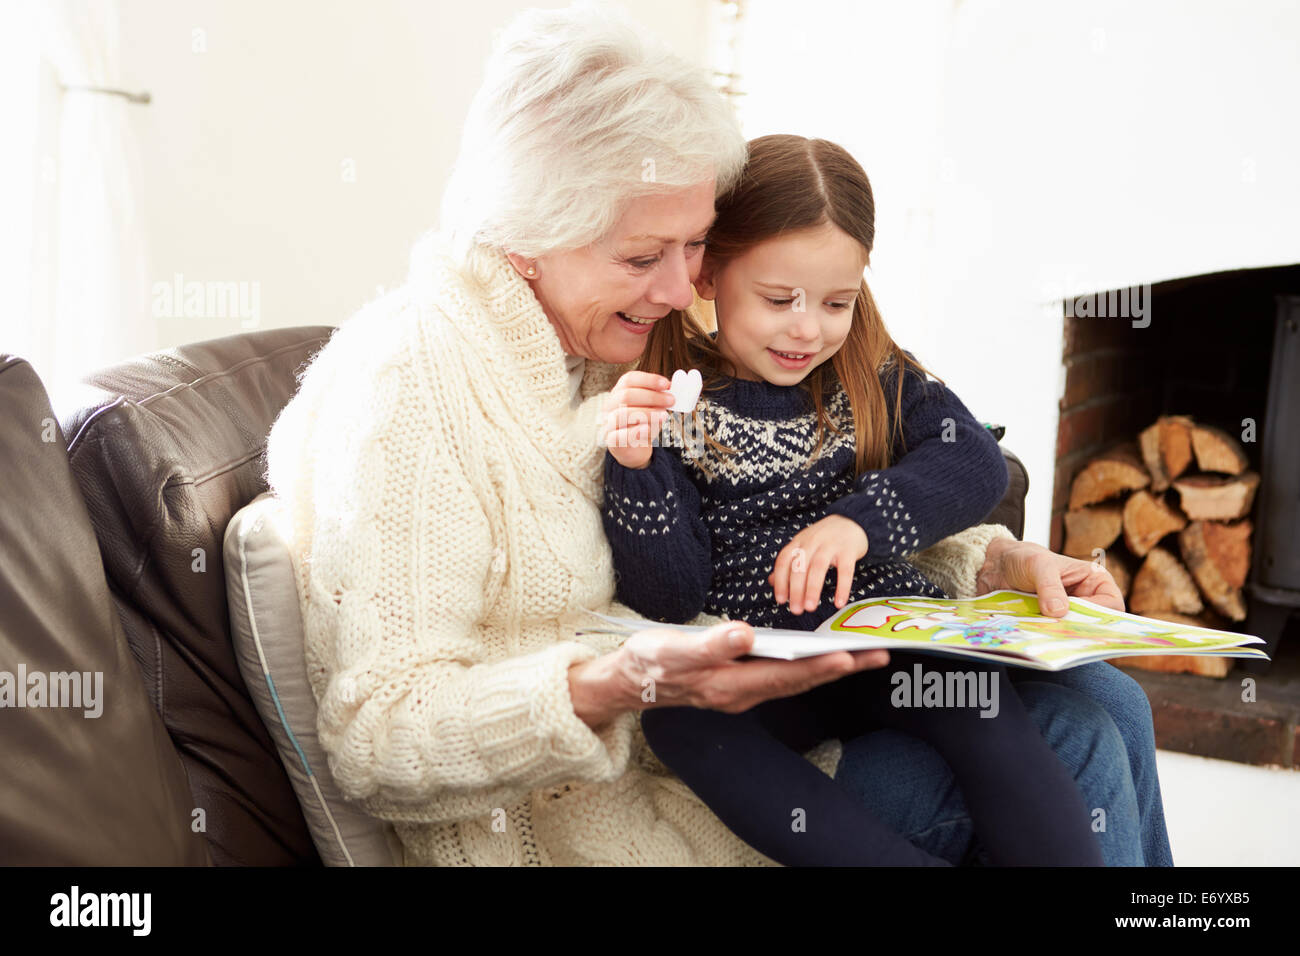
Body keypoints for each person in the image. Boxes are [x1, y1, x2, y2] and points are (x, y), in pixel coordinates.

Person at [264, 3, 1163, 866]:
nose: (680, 286)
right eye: (642, 256)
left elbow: (798, 488)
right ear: (527, 231)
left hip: (758, 713)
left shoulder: (612, 341)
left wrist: (995, 563)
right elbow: (381, 737)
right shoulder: (409, 383)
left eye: (694, 246)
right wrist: (616, 684)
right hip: (629, 818)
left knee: (1107, 697)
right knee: (1081, 728)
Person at [601, 133, 1103, 865]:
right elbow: (669, 597)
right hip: (766, 674)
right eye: (780, 300)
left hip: (882, 648)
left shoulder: (875, 375)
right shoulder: (674, 404)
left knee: (975, 698)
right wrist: (636, 470)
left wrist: (857, 524)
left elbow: (976, 460)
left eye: (837, 301)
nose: (809, 328)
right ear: (708, 275)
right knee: (680, 726)